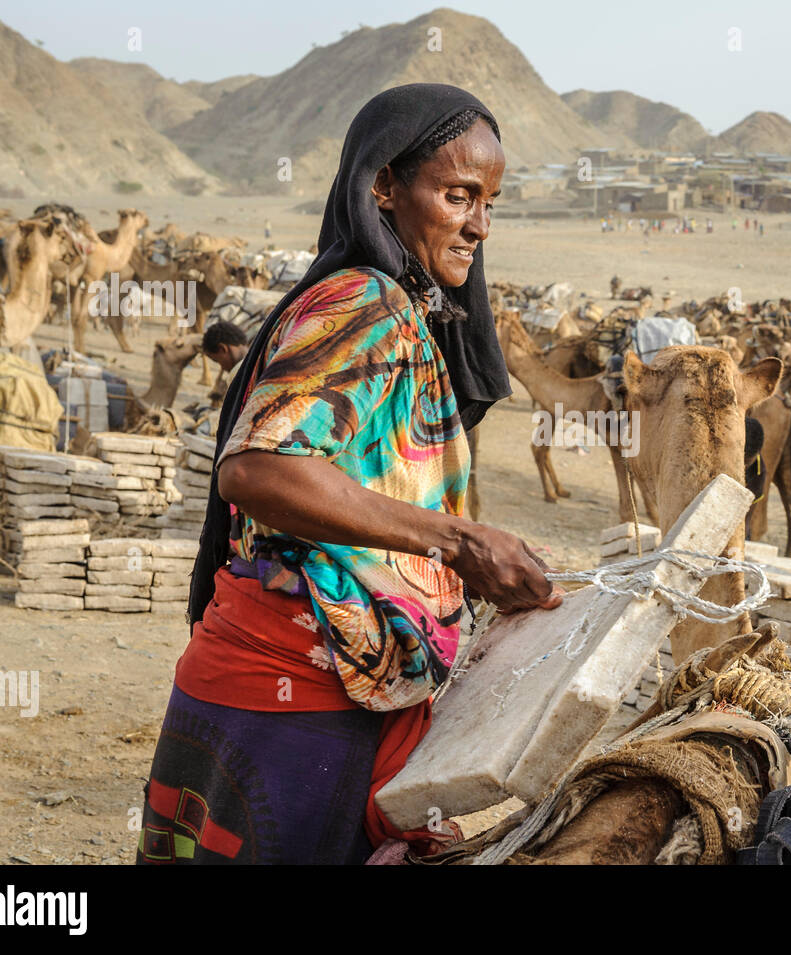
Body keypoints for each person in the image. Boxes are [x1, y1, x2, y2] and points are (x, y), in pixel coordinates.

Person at [137, 84, 562, 866]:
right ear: (383, 186)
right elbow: (260, 469)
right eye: (458, 194)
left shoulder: (398, 308)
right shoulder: (366, 303)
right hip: (295, 692)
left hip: (301, 683)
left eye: (491, 202)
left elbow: (374, 492)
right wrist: (461, 543)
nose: (478, 224)